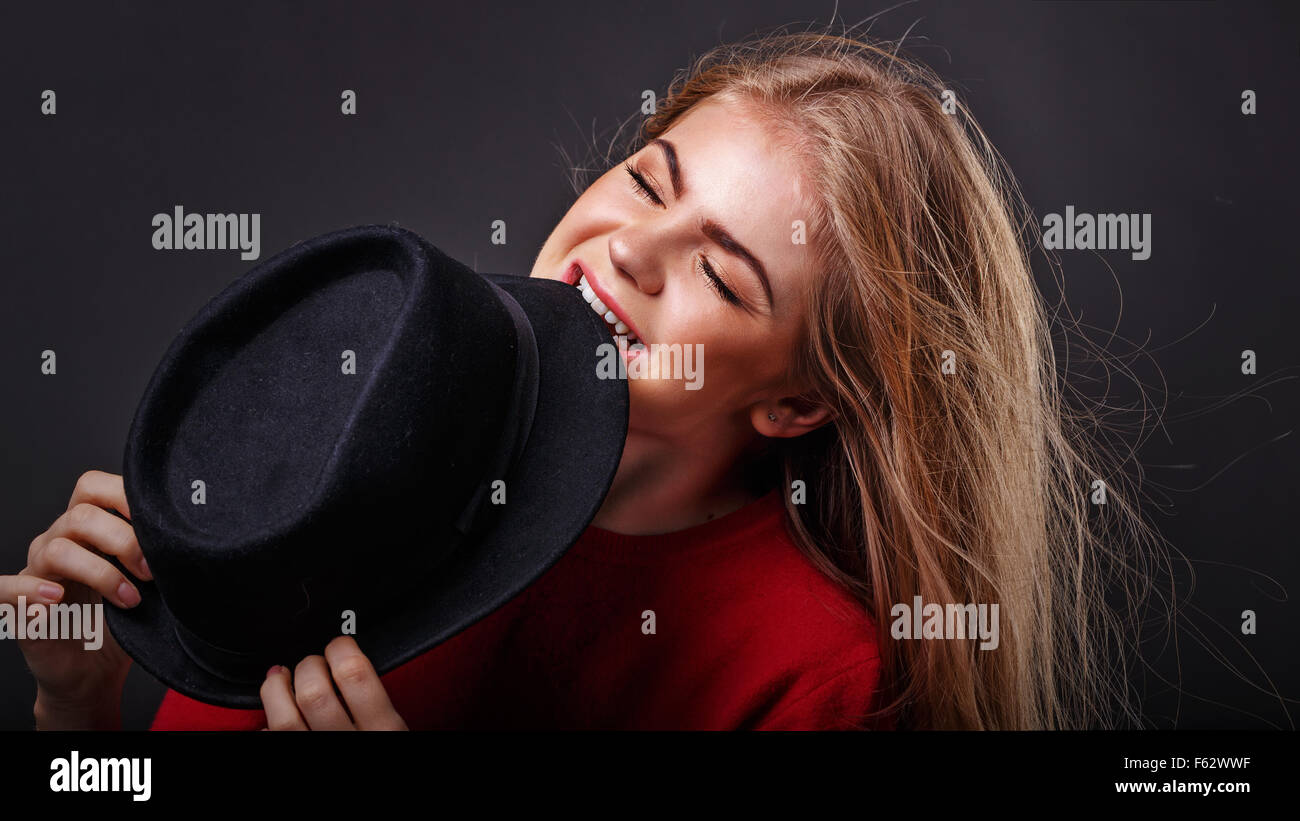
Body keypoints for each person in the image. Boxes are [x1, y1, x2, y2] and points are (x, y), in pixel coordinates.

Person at [6, 26, 1158, 730]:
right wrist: (77, 706)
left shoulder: (811, 678)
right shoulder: (371, 435)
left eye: (719, 268)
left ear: (797, 400)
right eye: (649, 184)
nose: (626, 249)